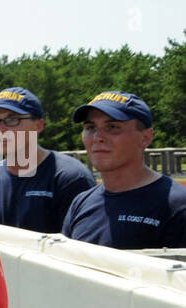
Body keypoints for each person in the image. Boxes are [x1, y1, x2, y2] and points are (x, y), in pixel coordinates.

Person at [61, 91, 186, 250]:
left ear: (146, 138)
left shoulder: (177, 207)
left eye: (112, 127)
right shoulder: (81, 203)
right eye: (90, 127)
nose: (97, 137)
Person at [0, 87, 95, 233]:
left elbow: (81, 250)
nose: (1, 128)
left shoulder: (71, 179)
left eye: (12, 119)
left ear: (38, 125)